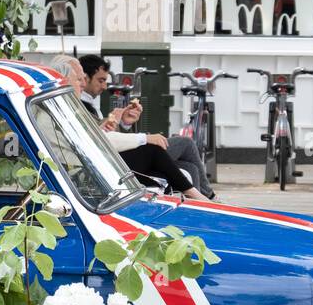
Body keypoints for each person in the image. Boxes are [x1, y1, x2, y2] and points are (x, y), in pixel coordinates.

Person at [48, 55, 205, 200]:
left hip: (101, 160)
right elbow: (98, 139)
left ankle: (202, 203)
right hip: (94, 169)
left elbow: (98, 135)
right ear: (63, 81)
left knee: (189, 168)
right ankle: (205, 197)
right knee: (177, 145)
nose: (104, 86)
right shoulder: (70, 108)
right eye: (79, 79)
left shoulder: (71, 106)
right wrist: (144, 137)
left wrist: (123, 122)